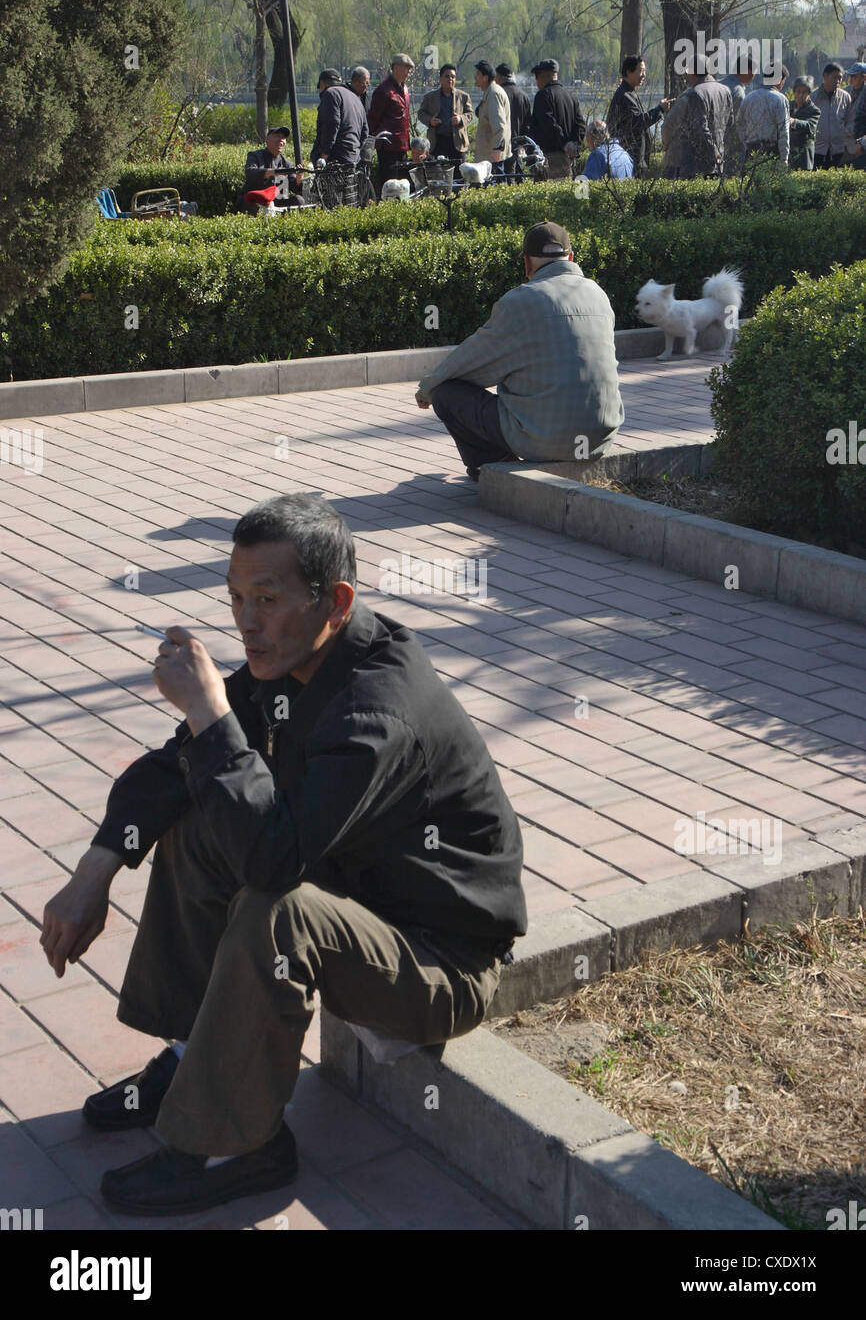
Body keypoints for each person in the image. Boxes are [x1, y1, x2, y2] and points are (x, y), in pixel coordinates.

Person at [41, 493, 526, 1216]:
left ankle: (239, 1144)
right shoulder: (295, 663)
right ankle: (188, 1061)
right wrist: (94, 870)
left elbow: (274, 865)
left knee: (279, 910)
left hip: (438, 963)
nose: (244, 621)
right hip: (364, 904)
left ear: (335, 601)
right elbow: (174, 771)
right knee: (203, 816)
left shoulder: (376, 708)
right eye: (235, 596)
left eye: (266, 599)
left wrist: (209, 713)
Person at [415, 221, 623, 481]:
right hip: (600, 438)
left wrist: (428, 388)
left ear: (527, 264)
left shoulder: (520, 301)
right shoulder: (599, 294)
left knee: (447, 393)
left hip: (543, 441)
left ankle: (491, 470)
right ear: (570, 257)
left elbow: (471, 360)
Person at [664, 55, 732, 178]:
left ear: (692, 72)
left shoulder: (693, 94)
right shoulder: (725, 91)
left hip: (692, 165)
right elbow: (730, 125)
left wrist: (667, 145)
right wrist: (718, 154)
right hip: (718, 162)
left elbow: (699, 128)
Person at [606, 55, 671, 177]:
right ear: (629, 72)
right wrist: (660, 109)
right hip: (630, 159)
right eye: (640, 71)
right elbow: (639, 122)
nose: (644, 75)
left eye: (645, 71)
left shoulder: (629, 93)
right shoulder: (624, 96)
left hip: (635, 158)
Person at [528, 59, 586, 179]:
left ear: (544, 76)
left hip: (550, 157)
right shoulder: (571, 96)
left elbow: (548, 123)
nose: (536, 82)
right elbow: (581, 125)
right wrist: (574, 145)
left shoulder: (543, 95)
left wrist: (564, 143)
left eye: (537, 78)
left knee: (549, 194)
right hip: (569, 158)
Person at [368, 53, 415, 186]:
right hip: (388, 146)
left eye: (410, 69)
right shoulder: (383, 90)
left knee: (402, 184)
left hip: (403, 145)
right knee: (389, 184)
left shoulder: (404, 88)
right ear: (396, 68)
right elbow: (373, 118)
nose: (409, 72)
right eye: (406, 68)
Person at [417, 63, 474, 166]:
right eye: (447, 76)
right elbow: (421, 113)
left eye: (453, 76)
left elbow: (470, 114)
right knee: (436, 172)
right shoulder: (430, 97)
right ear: (440, 78)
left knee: (459, 174)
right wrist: (430, 120)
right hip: (437, 140)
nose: (450, 79)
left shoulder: (464, 96)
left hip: (457, 141)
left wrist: (460, 119)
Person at [310, 69, 369, 166]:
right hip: (353, 158)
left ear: (322, 83)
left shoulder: (330, 93)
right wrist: (354, 150)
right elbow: (365, 132)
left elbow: (331, 124)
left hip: (335, 158)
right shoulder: (356, 98)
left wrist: (325, 153)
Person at [735, 63, 789, 165]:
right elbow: (783, 130)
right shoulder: (780, 99)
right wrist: (784, 157)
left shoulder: (748, 98)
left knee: (751, 180)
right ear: (780, 79)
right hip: (772, 152)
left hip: (751, 150)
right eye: (783, 82)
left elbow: (739, 124)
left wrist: (745, 143)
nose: (782, 85)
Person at [243, 126, 296, 212]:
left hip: (279, 201)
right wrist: (272, 172)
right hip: (257, 199)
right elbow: (250, 172)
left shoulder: (287, 163)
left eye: (283, 138)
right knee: (255, 206)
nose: (281, 140)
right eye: (277, 136)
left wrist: (299, 177)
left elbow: (295, 187)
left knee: (298, 200)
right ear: (267, 139)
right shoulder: (255, 155)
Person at [719, 50, 756, 174]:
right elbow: (737, 124)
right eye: (754, 72)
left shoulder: (718, 84)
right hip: (730, 148)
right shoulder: (738, 92)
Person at [473, 59, 511, 175]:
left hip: (493, 156)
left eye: (478, 74)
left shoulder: (494, 94)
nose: (475, 77)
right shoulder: (490, 92)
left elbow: (499, 125)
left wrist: (497, 148)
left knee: (495, 186)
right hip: (489, 156)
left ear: (485, 77)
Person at [496, 63, 532, 181]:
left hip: (501, 144)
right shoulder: (523, 95)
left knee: (502, 178)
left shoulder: (498, 94)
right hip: (518, 144)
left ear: (500, 77)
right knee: (518, 176)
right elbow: (528, 123)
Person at [811, 62, 851, 168]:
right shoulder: (813, 97)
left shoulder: (845, 97)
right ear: (825, 76)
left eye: (840, 78)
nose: (837, 81)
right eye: (835, 77)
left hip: (839, 150)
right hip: (818, 149)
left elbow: (849, 121)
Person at [788, 75, 821, 171]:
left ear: (809, 93)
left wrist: (794, 122)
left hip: (803, 158)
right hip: (788, 155)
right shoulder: (787, 106)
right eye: (798, 91)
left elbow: (810, 126)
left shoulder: (814, 110)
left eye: (804, 92)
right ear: (794, 92)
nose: (800, 95)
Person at [844, 62, 866, 162]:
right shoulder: (846, 91)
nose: (851, 79)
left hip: (861, 143)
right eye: (850, 76)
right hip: (844, 141)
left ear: (863, 77)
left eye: (854, 76)